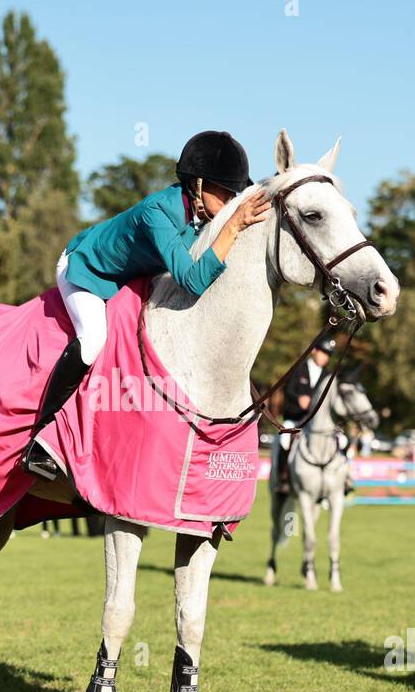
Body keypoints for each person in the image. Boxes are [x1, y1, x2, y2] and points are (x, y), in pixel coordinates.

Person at [23, 130, 272, 479]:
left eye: (236, 194)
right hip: (85, 270)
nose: (232, 201)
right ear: (198, 185)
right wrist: (233, 225)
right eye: (227, 192)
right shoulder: (159, 212)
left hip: (129, 281)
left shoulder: (200, 219)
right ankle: (41, 439)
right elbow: (193, 280)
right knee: (94, 340)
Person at [272, 335, 337, 494]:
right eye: (323, 352)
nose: (325, 356)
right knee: (285, 439)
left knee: (340, 440)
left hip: (315, 423)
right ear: (315, 350)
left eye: (328, 354)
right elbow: (288, 390)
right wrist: (298, 399)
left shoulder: (328, 375)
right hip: (294, 419)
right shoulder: (299, 368)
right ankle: (283, 478)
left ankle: (343, 478)